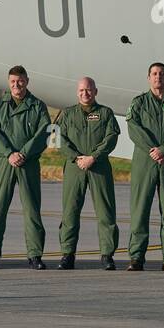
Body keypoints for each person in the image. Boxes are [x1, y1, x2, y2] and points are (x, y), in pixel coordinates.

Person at [0, 66, 52, 269]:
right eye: (13, 81)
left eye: (20, 81)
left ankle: (35, 255)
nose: (17, 85)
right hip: (5, 162)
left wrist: (24, 153)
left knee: (31, 209)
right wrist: (9, 153)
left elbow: (44, 132)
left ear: (27, 81)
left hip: (28, 163)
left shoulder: (38, 106)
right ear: (8, 82)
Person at [125, 62, 164, 272]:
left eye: (161, 74)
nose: (157, 77)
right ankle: (136, 257)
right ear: (148, 77)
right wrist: (153, 150)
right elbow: (133, 128)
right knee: (140, 210)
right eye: (154, 74)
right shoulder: (139, 103)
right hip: (145, 162)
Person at [56, 77, 121, 270]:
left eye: (89, 90)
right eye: (82, 90)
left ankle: (107, 255)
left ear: (96, 91)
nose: (86, 93)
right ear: (77, 92)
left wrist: (94, 157)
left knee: (105, 212)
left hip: (99, 167)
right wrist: (76, 158)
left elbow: (111, 137)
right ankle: (67, 254)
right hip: (74, 167)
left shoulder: (105, 113)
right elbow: (59, 138)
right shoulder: (67, 114)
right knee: (70, 211)